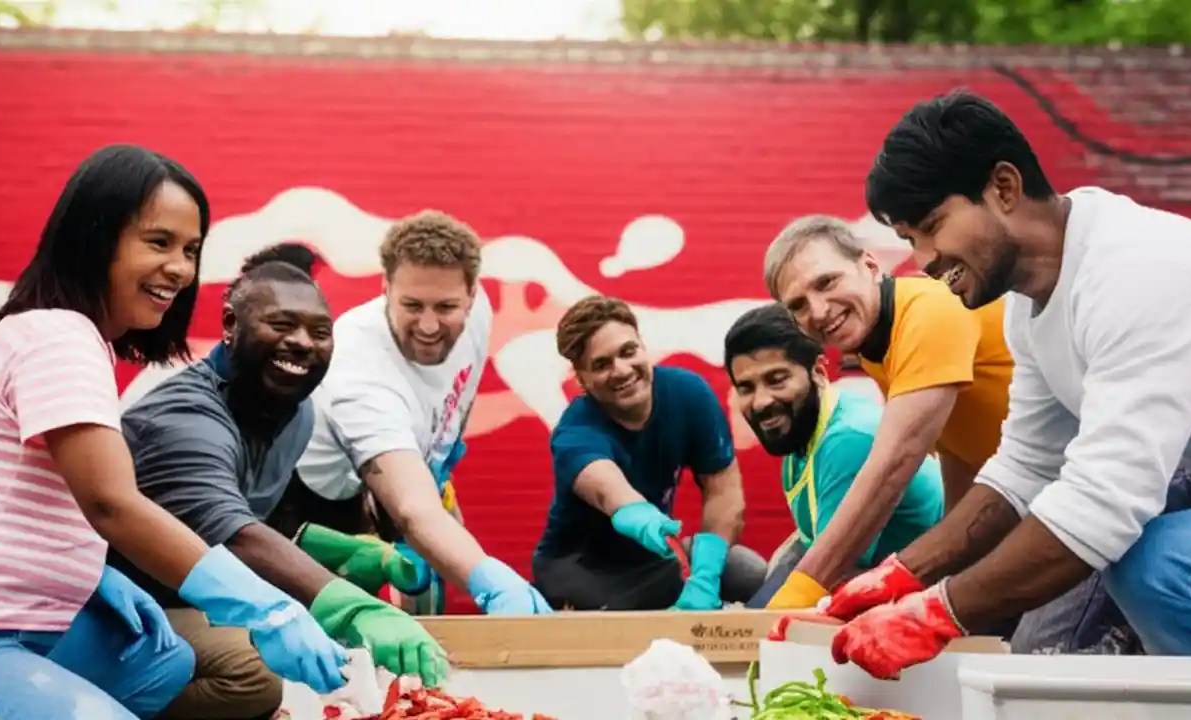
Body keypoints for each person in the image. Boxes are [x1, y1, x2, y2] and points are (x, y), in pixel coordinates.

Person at [0, 145, 350, 720]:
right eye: (158, 243)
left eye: (191, 250)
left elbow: (28, 493)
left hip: (33, 619)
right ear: (95, 236)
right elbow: (111, 502)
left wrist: (92, 574)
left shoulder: (74, 339)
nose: (180, 268)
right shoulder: (58, 337)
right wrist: (269, 610)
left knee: (165, 665)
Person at [819, 90, 1191, 679]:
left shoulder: (1138, 270)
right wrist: (905, 573)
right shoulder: (1028, 307)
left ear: (1003, 188)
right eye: (908, 239)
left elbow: (1102, 505)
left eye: (931, 227)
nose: (924, 258)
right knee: (1042, 648)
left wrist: (937, 613)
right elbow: (1026, 469)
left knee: (1155, 567)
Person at [113, 243, 448, 719]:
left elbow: (256, 523)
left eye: (319, 332)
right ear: (230, 326)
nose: (303, 343)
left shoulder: (295, 415)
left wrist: (345, 551)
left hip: (185, 598)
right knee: (252, 681)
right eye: (281, 325)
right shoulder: (186, 417)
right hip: (111, 606)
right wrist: (351, 606)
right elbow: (226, 533)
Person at [285, 209, 550, 615]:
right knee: (348, 631)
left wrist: (440, 466)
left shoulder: (478, 317)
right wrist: (490, 579)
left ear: (472, 295)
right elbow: (411, 509)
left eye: (445, 307)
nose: (428, 326)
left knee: (429, 594)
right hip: (319, 499)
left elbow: (455, 398)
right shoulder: (356, 367)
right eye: (412, 305)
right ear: (385, 287)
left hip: (406, 465)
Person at [759, 213, 1013, 611]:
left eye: (827, 282)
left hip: (1085, 498)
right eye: (798, 305)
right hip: (1029, 502)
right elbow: (959, 450)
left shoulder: (928, 310)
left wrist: (797, 595)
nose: (820, 311)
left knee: (1040, 647)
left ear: (870, 266)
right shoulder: (879, 344)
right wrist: (953, 563)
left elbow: (893, 466)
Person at [532, 295, 767, 611]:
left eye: (628, 352)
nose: (622, 370)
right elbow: (605, 487)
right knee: (622, 622)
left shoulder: (689, 394)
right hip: (581, 567)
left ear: (643, 346)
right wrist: (637, 514)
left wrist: (705, 575)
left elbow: (724, 491)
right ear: (582, 378)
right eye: (601, 365)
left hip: (654, 562)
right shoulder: (575, 431)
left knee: (744, 570)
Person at [724, 304, 944, 609]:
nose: (761, 402)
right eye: (746, 388)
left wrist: (754, 632)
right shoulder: (805, 431)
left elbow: (833, 573)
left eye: (777, 380)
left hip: (925, 595)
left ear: (818, 371)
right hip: (868, 578)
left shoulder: (847, 439)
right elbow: (804, 545)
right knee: (736, 568)